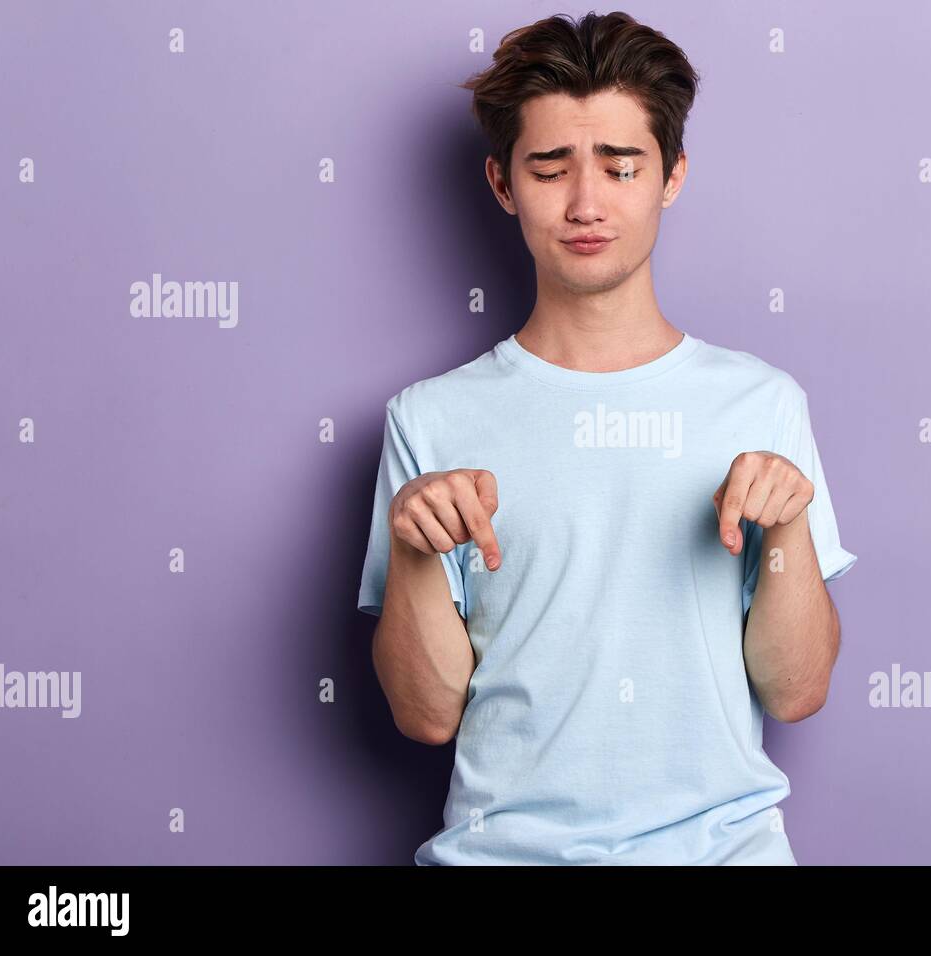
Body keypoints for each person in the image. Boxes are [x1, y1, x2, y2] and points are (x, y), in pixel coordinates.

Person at [357, 10, 858, 865]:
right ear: (503, 184)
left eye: (622, 167)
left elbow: (797, 689)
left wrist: (790, 529)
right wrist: (411, 547)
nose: (586, 203)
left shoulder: (761, 402)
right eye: (550, 169)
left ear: (671, 177)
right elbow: (425, 715)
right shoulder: (429, 419)